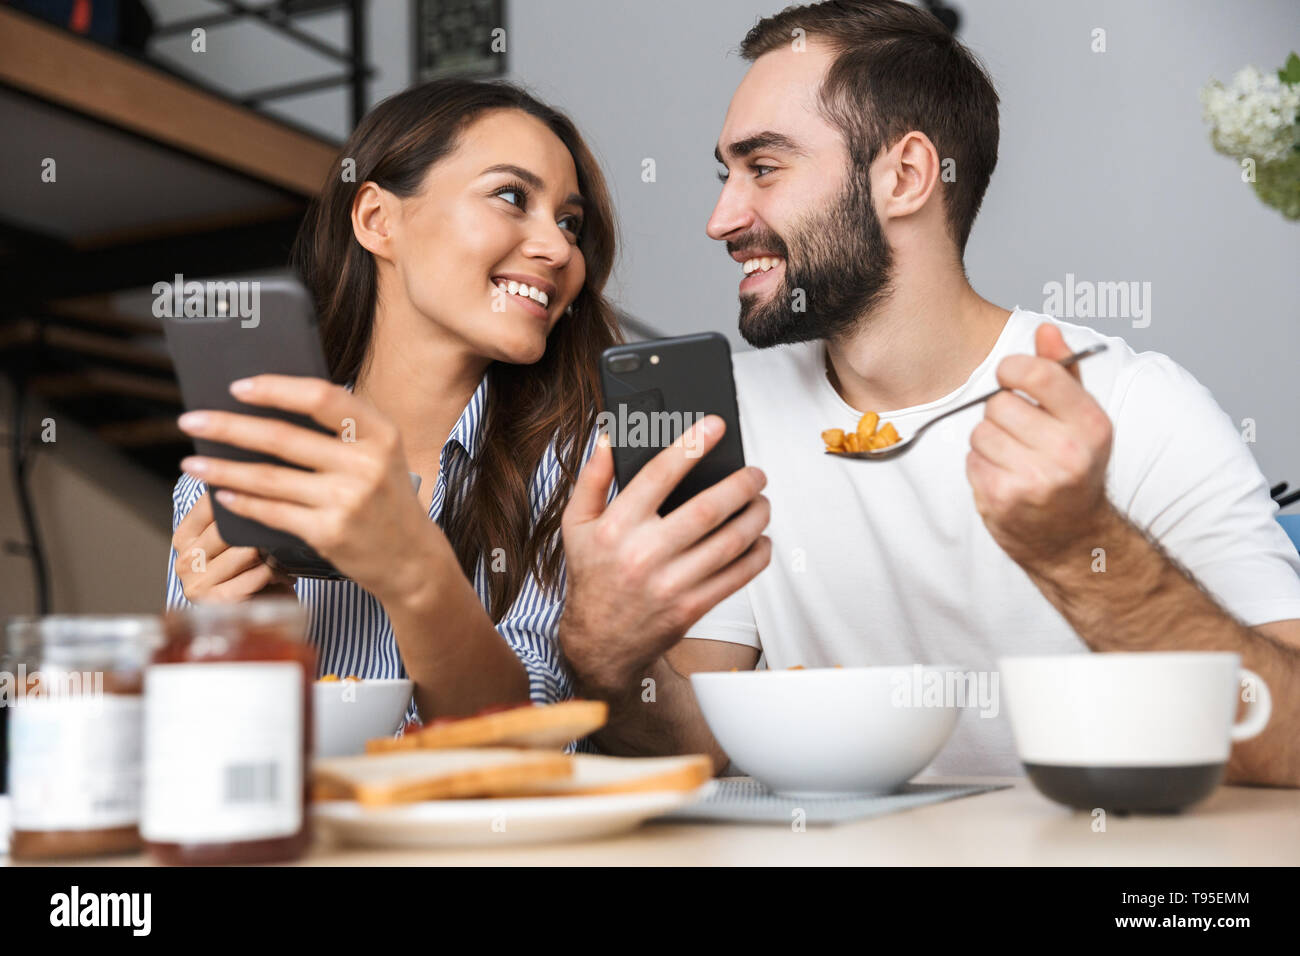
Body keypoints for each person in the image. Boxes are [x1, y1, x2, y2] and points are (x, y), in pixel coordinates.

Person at [559, 0, 1300, 786]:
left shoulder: (1135, 406)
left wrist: (1086, 547)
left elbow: (1288, 736)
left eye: (764, 167)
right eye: (727, 174)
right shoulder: (727, 421)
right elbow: (692, 745)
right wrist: (610, 656)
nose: (720, 219)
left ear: (905, 177)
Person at [165, 77, 760, 726]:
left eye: (570, 223)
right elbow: (196, 755)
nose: (559, 248)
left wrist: (415, 575)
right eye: (511, 196)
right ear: (376, 220)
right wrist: (240, 643)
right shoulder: (243, 468)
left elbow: (534, 741)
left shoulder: (590, 467)